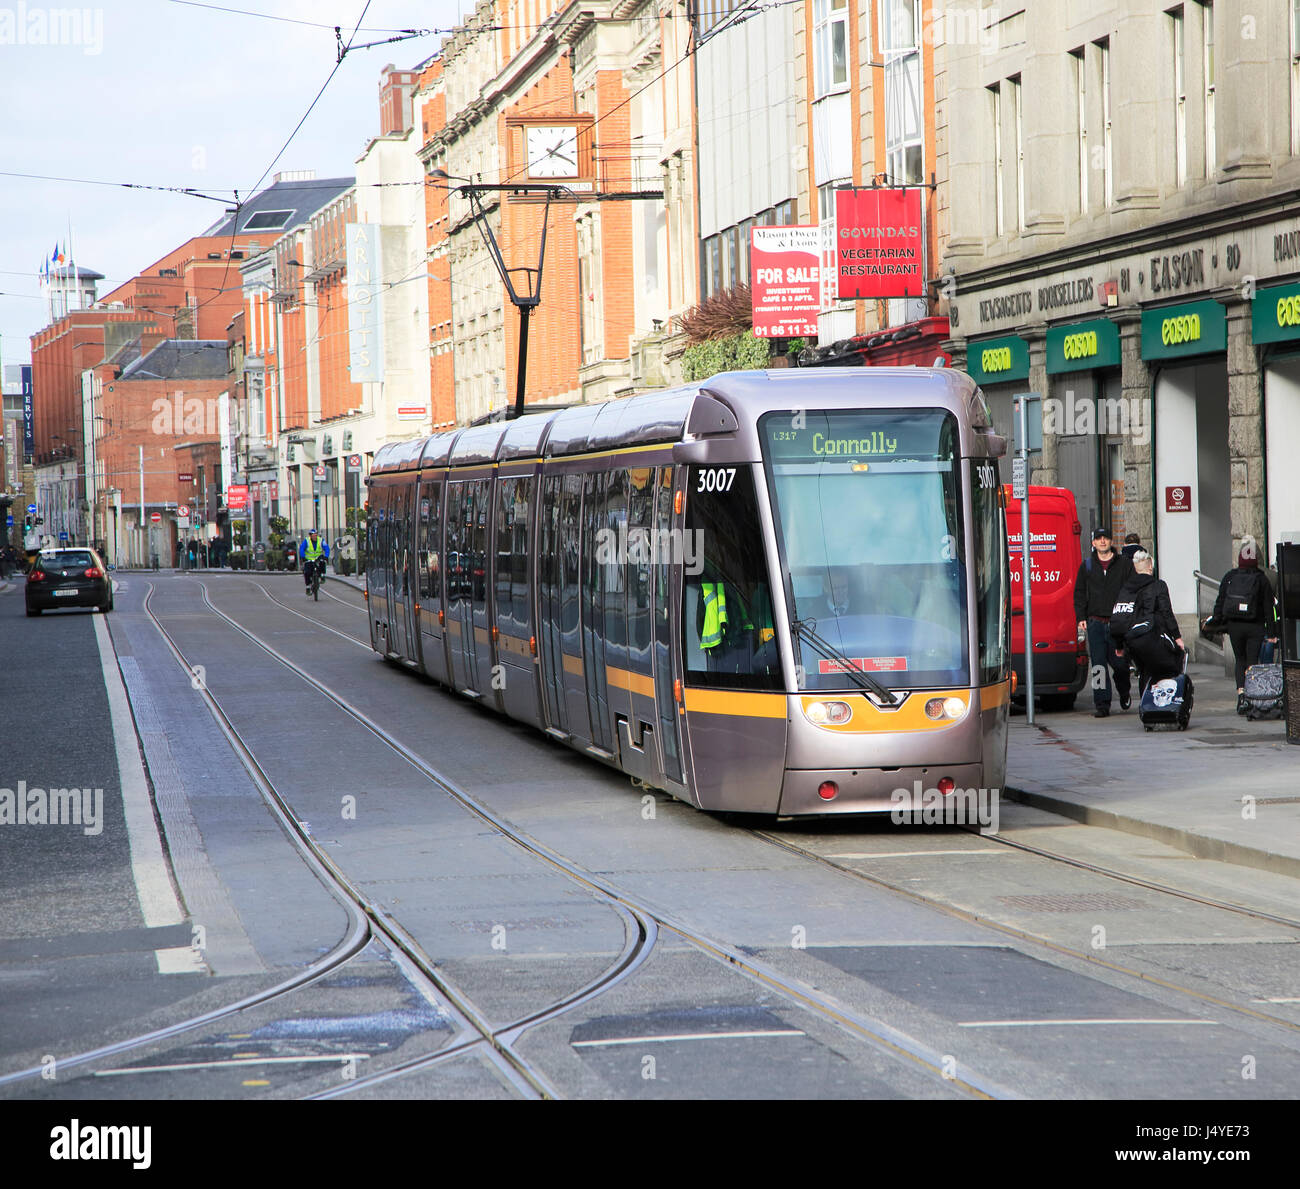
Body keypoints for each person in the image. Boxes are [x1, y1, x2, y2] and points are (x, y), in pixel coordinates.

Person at [1211, 536, 1279, 714]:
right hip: (1255, 626)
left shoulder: (1230, 576)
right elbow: (1267, 608)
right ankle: (1252, 695)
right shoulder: (1262, 579)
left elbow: (1220, 601)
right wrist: (1271, 633)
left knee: (1239, 659)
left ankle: (1241, 694)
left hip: (1234, 626)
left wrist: (1217, 621)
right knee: (1251, 661)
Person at [1074, 526, 1135, 717]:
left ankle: (1124, 691)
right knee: (1098, 665)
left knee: (1120, 664)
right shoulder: (1088, 566)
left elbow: (1132, 590)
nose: (1102, 541)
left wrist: (1130, 615)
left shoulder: (1124, 564)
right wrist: (1081, 617)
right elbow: (1080, 593)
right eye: (1099, 538)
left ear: (1111, 541)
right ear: (1093, 543)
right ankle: (1102, 704)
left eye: (1106, 538)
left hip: (1118, 623)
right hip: (1095, 623)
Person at [1110, 550, 1184, 697]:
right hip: (1154, 636)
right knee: (1166, 667)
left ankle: (1145, 705)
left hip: (1133, 641)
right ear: (1150, 566)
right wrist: (1177, 637)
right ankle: (1163, 704)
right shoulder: (1158, 585)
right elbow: (1166, 612)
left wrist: (1119, 645)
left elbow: (1120, 616)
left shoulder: (1126, 588)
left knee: (1144, 670)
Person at [300, 528, 329, 593]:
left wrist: (326, 556)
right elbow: (302, 549)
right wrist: (303, 557)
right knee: (307, 572)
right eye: (313, 535)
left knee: (322, 562)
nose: (314, 536)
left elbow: (326, 548)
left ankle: (322, 575)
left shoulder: (321, 540)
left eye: (315, 535)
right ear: (310, 536)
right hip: (309, 559)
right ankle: (308, 587)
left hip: (318, 558)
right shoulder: (306, 541)